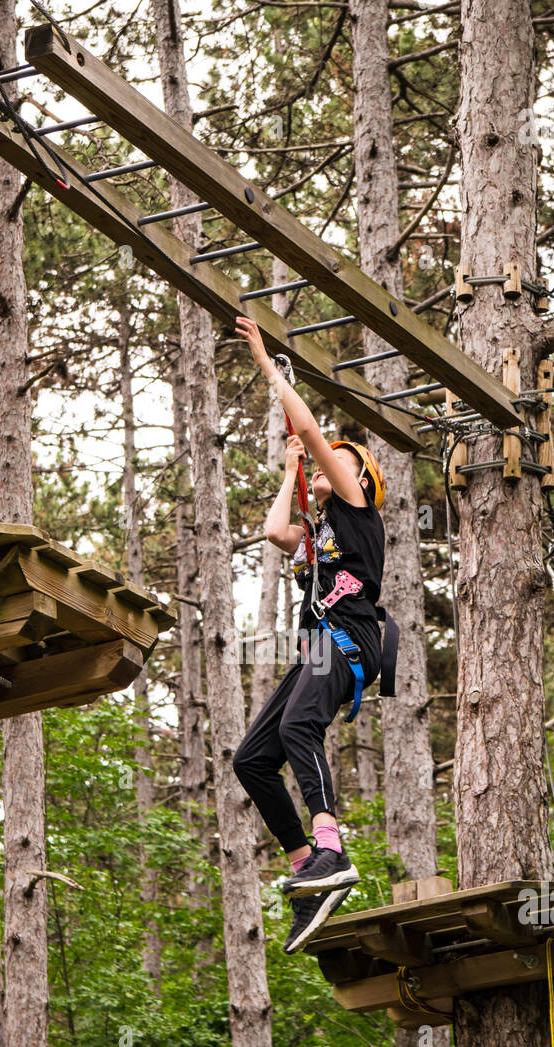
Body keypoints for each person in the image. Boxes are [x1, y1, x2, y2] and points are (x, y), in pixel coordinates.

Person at [231, 316, 398, 955]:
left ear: (359, 479)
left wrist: (271, 368)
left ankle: (331, 845)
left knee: (301, 728)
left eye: (341, 461)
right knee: (252, 761)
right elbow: (278, 534)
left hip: (347, 643)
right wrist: (291, 473)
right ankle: (308, 866)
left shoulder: (358, 512)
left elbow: (307, 428)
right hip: (315, 653)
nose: (331, 464)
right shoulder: (321, 529)